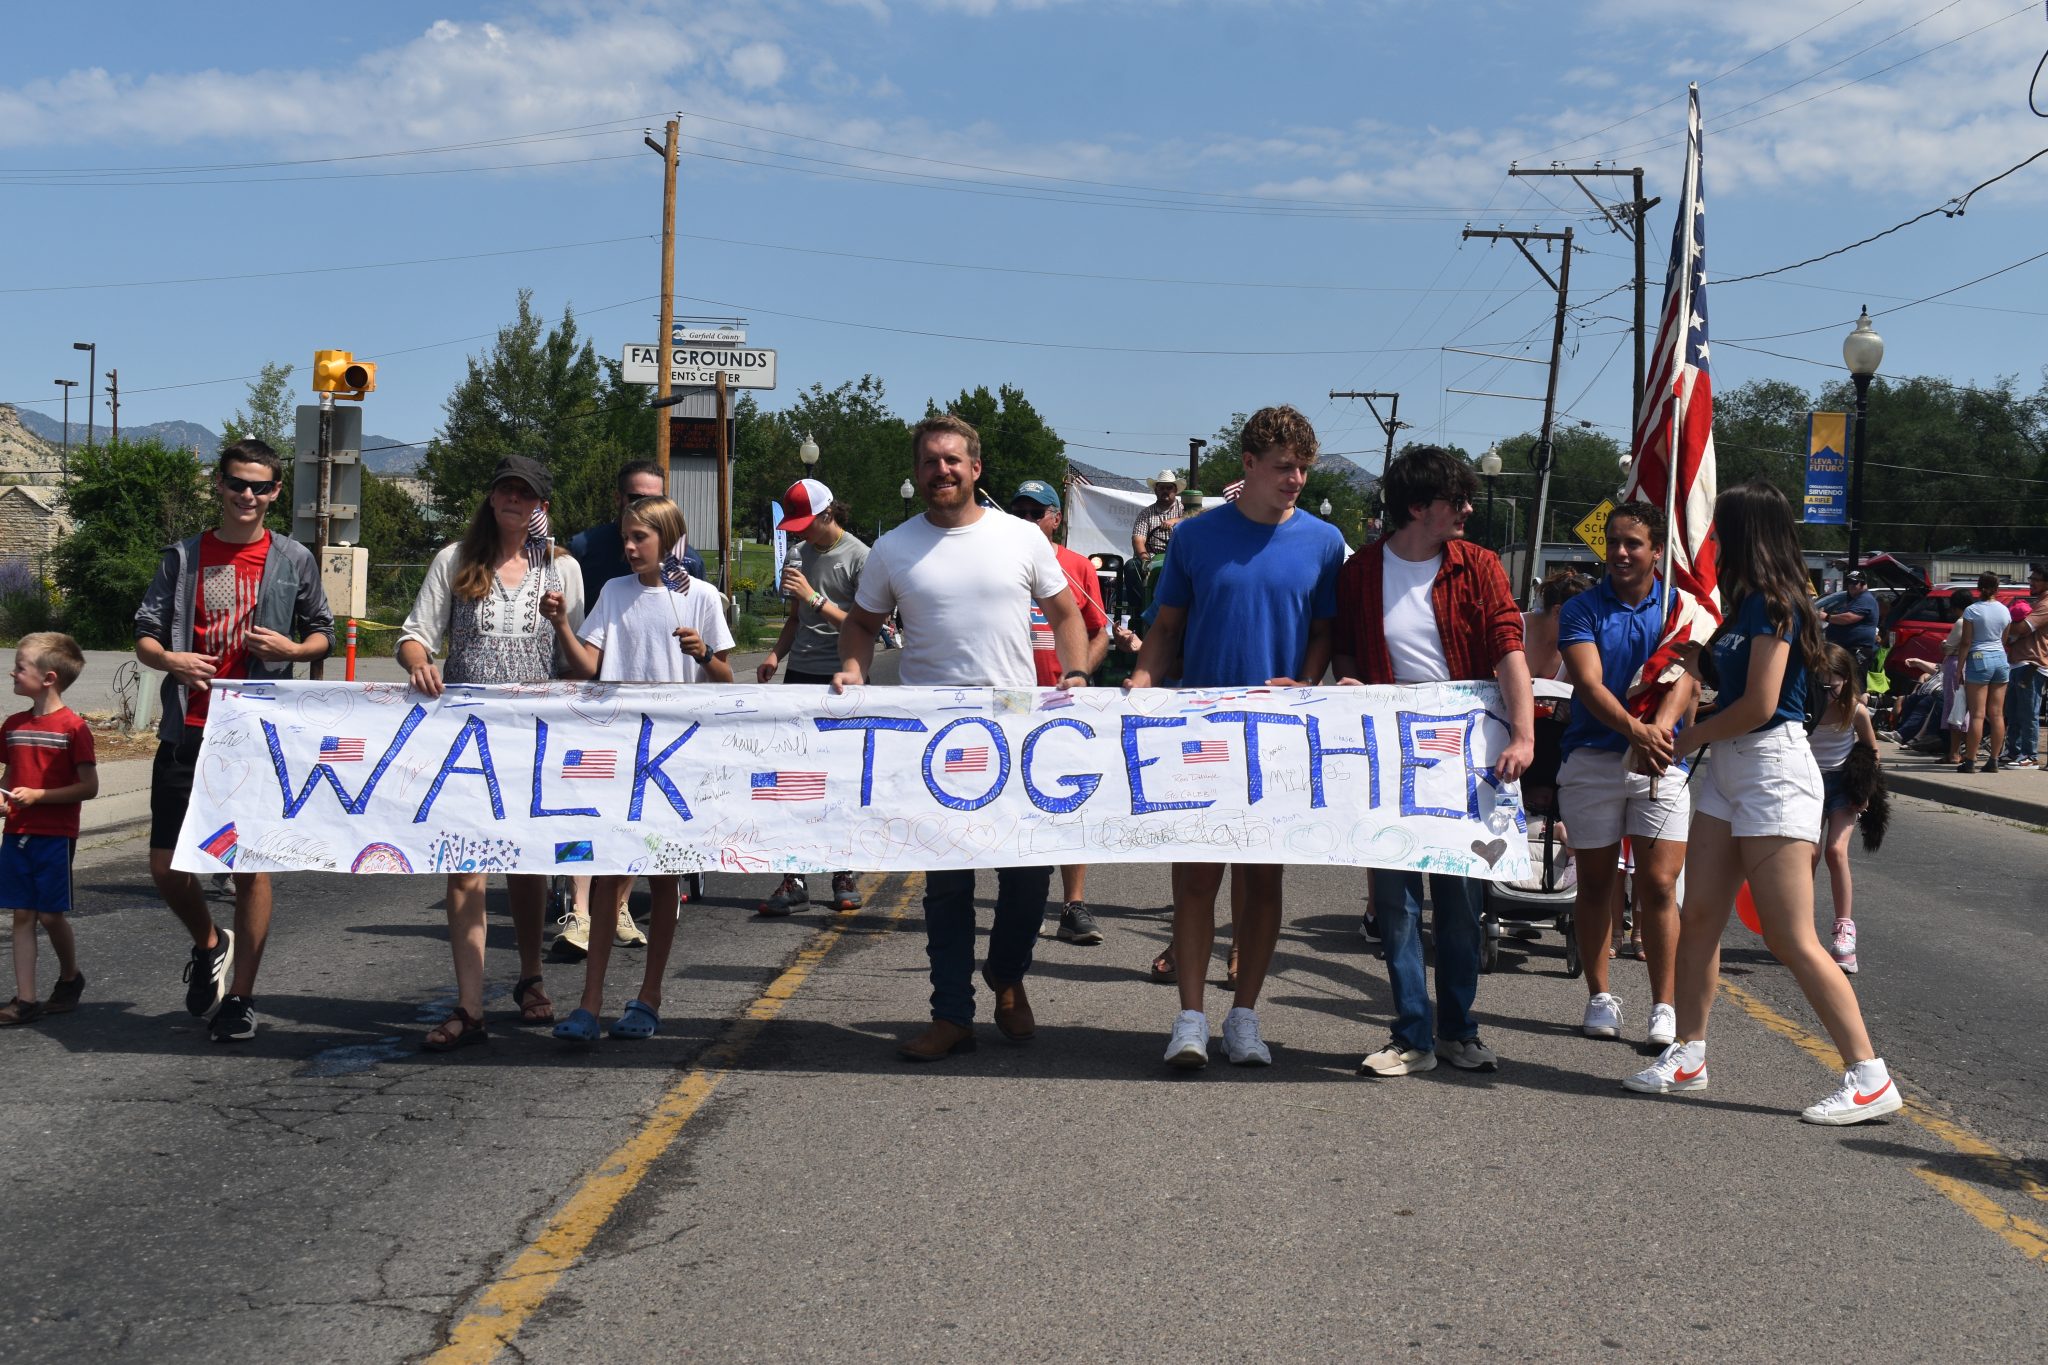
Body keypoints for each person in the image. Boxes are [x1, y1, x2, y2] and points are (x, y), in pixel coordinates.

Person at [1625, 478, 1901, 1125]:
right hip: (1729, 770)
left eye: (1721, 529)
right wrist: (1692, 660)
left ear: (1748, 533)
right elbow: (1730, 687)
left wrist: (1686, 733)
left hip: (1774, 770)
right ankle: (1689, 1053)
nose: (1712, 539)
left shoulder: (1780, 603)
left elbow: (1761, 704)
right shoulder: (1742, 605)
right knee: (1700, 918)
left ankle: (1869, 1074)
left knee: (1789, 935)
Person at [832, 413, 1090, 1063]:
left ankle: (1006, 973)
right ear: (916, 472)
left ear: (976, 468)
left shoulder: (1020, 538)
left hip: (1016, 734)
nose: (941, 470)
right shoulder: (894, 547)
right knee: (946, 887)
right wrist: (854, 668)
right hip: (935, 740)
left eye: (953, 460)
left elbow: (1068, 616)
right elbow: (861, 623)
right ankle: (951, 1015)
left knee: (1028, 878)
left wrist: (1079, 671)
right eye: (929, 461)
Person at [1130, 405, 1347, 1069]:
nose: (1296, 479)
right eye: (1284, 466)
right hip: (1202, 732)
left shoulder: (1323, 541)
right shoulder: (1195, 538)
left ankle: (1245, 1016)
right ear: (1248, 464)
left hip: (1279, 737)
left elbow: (1324, 633)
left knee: (1262, 882)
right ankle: (1190, 1018)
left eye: (1304, 468)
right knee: (1196, 879)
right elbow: (1166, 628)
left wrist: (1306, 681)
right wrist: (1140, 682)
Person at [1333, 445, 1534, 1077]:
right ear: (1418, 507)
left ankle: (1459, 1030)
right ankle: (1411, 1036)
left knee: (1459, 902)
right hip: (1389, 760)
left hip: (1467, 760)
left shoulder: (1477, 566)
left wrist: (1523, 735)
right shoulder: (1362, 572)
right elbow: (1346, 651)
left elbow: (1507, 647)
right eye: (1457, 501)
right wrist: (1346, 682)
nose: (1469, 509)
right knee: (1394, 905)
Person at [134, 438, 334, 1043]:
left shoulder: (294, 558)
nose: (248, 495)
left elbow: (322, 629)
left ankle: (242, 997)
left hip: (255, 734)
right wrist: (171, 659)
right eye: (237, 483)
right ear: (218, 486)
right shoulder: (183, 557)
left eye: (261, 486)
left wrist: (295, 650)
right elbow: (144, 633)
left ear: (276, 493)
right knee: (167, 868)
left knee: (249, 865)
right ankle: (209, 941)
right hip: (187, 729)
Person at [397, 455, 585, 1051]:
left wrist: (562, 627)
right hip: (466, 735)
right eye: (504, 489)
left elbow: (578, 657)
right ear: (491, 497)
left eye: (525, 493)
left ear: (540, 506)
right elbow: (413, 634)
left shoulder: (563, 570)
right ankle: (470, 1005)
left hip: (534, 733)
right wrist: (419, 661)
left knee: (527, 862)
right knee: (465, 862)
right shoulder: (455, 560)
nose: (513, 500)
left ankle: (530, 977)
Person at [552, 496, 733, 1042]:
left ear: (668, 540)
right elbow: (590, 665)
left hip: (675, 758)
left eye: (641, 539)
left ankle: (649, 997)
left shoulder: (701, 598)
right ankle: (589, 1002)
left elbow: (728, 682)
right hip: (621, 750)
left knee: (662, 878)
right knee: (609, 874)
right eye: (626, 538)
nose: (629, 548)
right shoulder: (614, 592)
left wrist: (703, 655)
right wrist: (562, 624)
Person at [1555, 503, 1694, 1047]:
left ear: (1657, 550)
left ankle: (1664, 1005)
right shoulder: (1581, 609)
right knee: (1595, 883)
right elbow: (1588, 685)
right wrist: (1637, 731)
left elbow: (1687, 675)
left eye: (1633, 543)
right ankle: (1599, 996)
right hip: (1593, 759)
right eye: (1613, 542)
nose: (1620, 552)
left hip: (1661, 763)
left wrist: (1658, 731)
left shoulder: (1680, 607)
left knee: (1659, 885)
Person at [755, 478, 869, 917]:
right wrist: (773, 654)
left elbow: (863, 627)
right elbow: (795, 618)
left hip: (843, 677)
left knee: (839, 780)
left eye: (805, 523)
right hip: (800, 674)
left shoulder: (860, 557)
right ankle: (795, 874)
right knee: (797, 780)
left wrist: (814, 598)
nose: (798, 533)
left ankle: (843, 871)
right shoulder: (800, 553)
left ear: (828, 514)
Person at [1010, 478, 1110, 946]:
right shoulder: (1000, 558)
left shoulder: (1074, 565)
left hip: (1063, 701)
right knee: (1015, 804)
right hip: (1012, 702)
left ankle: (1074, 904)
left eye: (1037, 513)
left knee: (1068, 801)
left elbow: (1098, 631)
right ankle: (1021, 904)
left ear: (1056, 518)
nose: (1027, 520)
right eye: (1020, 512)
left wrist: (1080, 673)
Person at [0, 634, 97, 1025]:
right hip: (17, 834)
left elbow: (89, 787)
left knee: (49, 916)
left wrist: (39, 796)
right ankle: (26, 999)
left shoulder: (74, 728)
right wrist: (6, 801)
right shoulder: (13, 725)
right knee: (22, 913)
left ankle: (70, 976)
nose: (12, 671)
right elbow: (10, 776)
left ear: (48, 677)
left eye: (21, 667)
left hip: (55, 836)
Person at [1809, 645, 1880, 975]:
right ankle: (1800, 929)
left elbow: (1871, 749)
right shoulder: (1807, 709)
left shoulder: (1855, 711)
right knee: (1808, 854)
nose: (1826, 691)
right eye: (1820, 684)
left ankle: (1844, 931)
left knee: (1836, 851)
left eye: (1832, 685)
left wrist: (1865, 789)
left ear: (1846, 680)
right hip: (1808, 784)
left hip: (1842, 786)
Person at [570, 460, 705, 599]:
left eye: (654, 500)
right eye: (637, 498)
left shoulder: (688, 559)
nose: (645, 506)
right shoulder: (583, 548)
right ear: (618, 498)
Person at [1954, 571, 2011, 773]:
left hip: (1979, 658)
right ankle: (1994, 760)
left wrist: (1959, 667)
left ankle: (1970, 760)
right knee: (1997, 714)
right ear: (1997, 589)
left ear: (1979, 587)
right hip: (2000, 659)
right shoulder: (2005, 610)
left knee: (1977, 714)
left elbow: (1966, 642)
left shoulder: (1972, 610)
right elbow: (2004, 639)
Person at [2001, 565, 2048, 768]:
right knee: (2013, 711)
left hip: (2032, 664)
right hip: (2017, 664)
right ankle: (2014, 752)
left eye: (2036, 579)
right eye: (2031, 578)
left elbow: (2023, 627)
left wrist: (2000, 624)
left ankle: (2030, 756)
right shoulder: (2037, 602)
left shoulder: (2046, 604)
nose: (2031, 582)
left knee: (2028, 712)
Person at [1823, 569, 1881, 677]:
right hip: (1848, 649)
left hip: (1858, 650)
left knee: (1856, 682)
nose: (1851, 586)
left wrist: (1826, 617)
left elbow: (1849, 618)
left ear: (1863, 583)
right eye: (1849, 582)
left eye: (1854, 583)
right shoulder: (1855, 600)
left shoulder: (1865, 599)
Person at [1130, 469, 1185, 570]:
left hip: (1180, 558)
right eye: (1162, 488)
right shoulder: (1145, 514)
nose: (1165, 491)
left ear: (1175, 490)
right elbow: (1138, 539)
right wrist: (1145, 560)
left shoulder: (1185, 510)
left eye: (1169, 488)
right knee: (1131, 567)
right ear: (1156, 490)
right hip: (1152, 558)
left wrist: (1175, 520)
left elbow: (1195, 520)